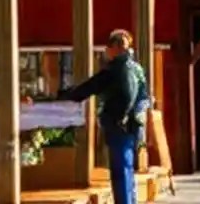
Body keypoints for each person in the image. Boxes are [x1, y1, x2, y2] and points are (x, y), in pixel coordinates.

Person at [57, 29, 149, 204]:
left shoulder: (116, 69)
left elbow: (91, 87)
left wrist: (65, 96)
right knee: (128, 168)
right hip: (134, 126)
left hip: (119, 124)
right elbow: (144, 97)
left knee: (119, 169)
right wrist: (139, 116)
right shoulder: (137, 68)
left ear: (116, 47)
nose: (106, 52)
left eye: (108, 47)